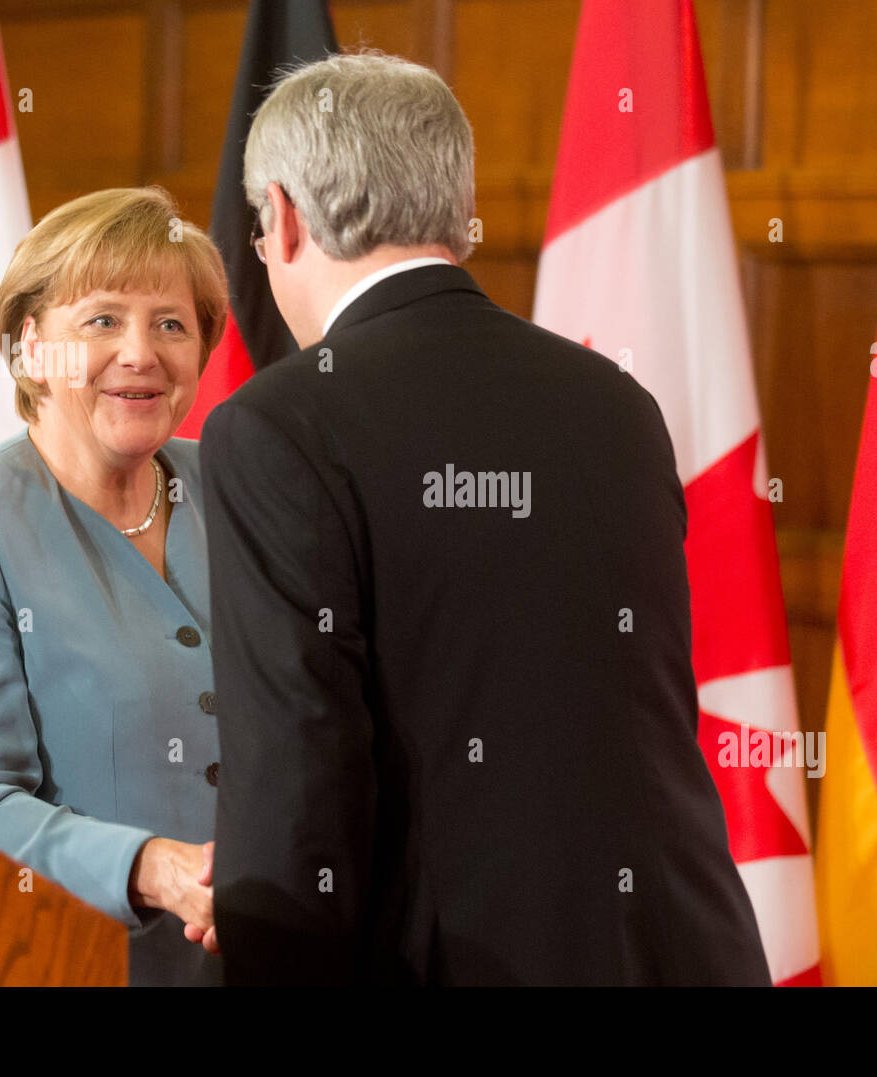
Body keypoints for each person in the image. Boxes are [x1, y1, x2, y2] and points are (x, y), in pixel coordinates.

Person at [199, 53, 773, 985]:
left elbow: (297, 796)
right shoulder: (617, 403)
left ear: (288, 218)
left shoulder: (277, 426)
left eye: (258, 231)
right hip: (684, 952)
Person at [0, 187, 228, 986]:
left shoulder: (238, 488)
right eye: (102, 320)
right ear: (31, 347)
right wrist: (150, 866)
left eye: (170, 323)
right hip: (71, 968)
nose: (140, 352)